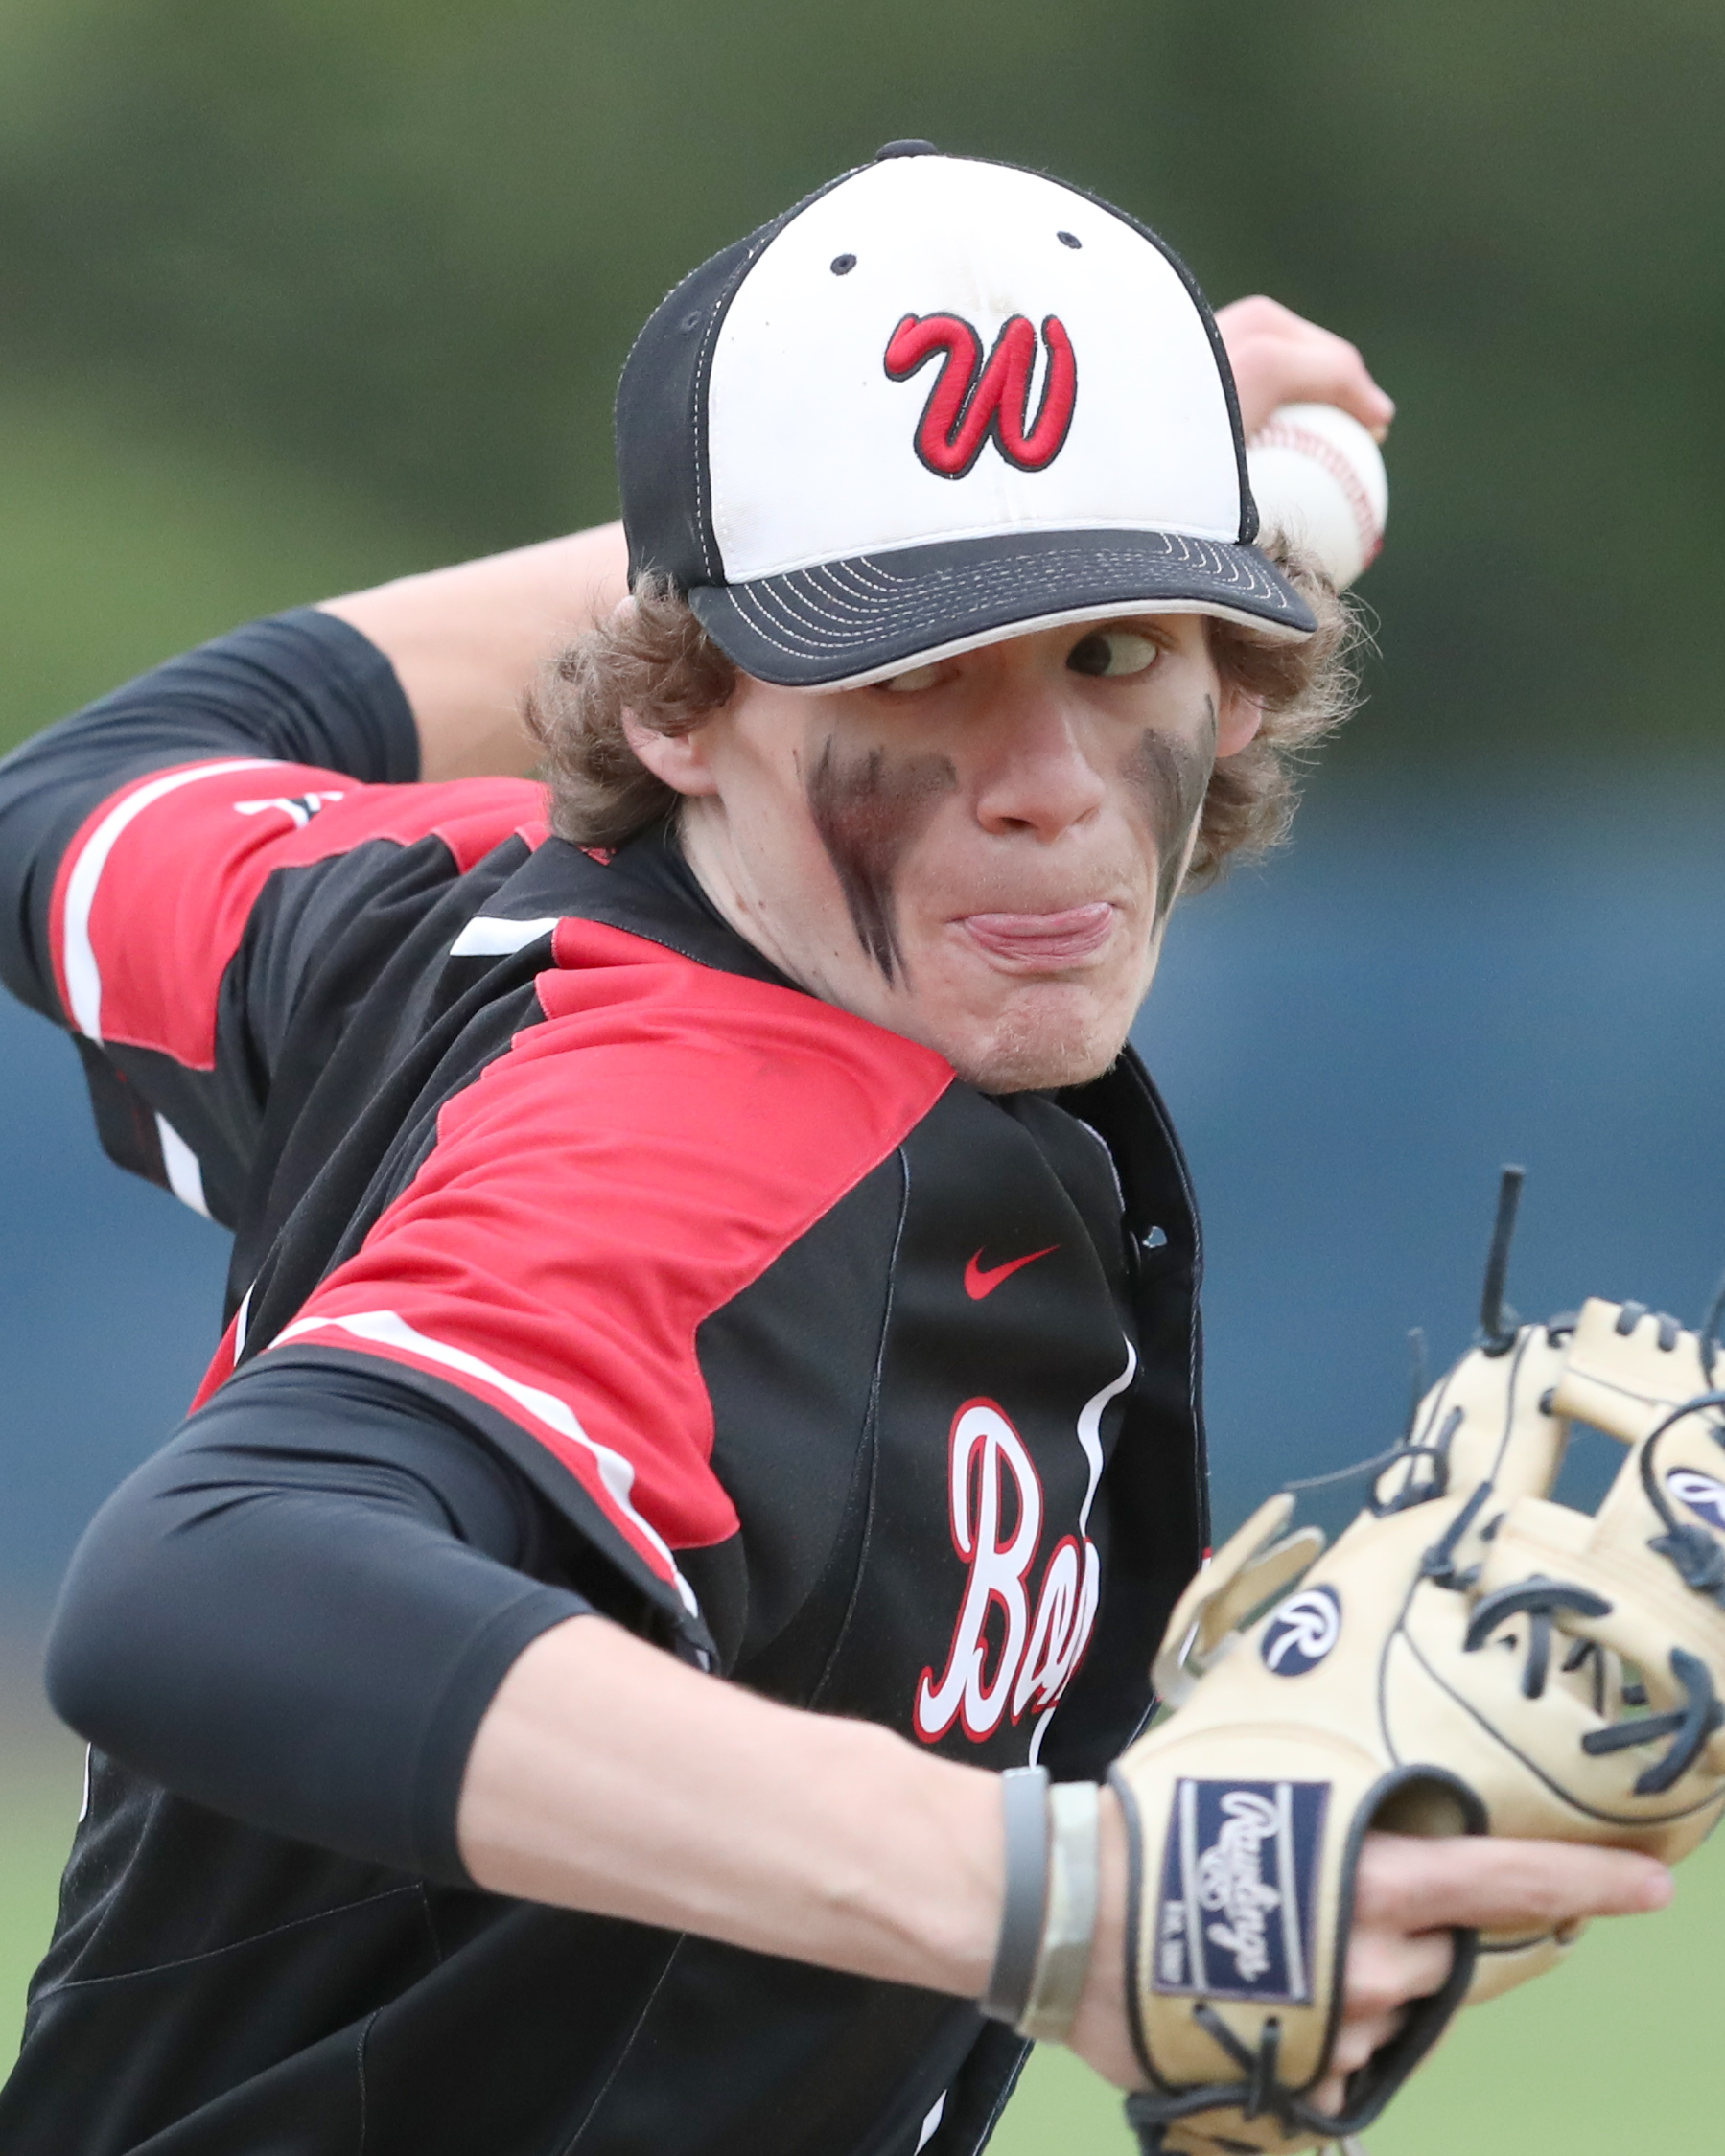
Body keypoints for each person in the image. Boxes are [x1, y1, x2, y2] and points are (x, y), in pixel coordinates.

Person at [0, 147, 1663, 2156]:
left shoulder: (409, 899)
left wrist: (960, 485)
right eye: (912, 666)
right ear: (680, 707)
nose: (1046, 784)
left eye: (1115, 648)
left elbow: (81, 787)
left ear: (1232, 688)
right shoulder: (700, 1151)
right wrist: (1048, 1900)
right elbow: (210, 1579)